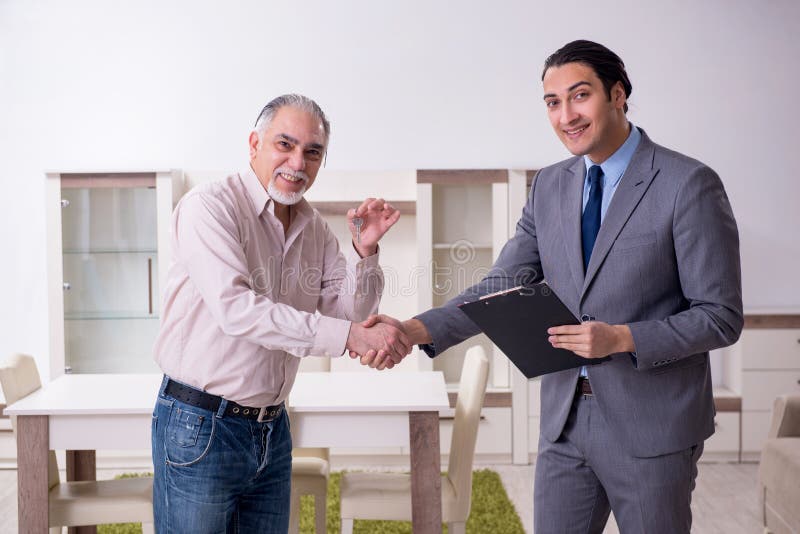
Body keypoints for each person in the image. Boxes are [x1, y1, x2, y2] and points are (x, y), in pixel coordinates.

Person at [355, 40, 743, 532]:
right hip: (564, 422)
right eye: (553, 103)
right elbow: (500, 285)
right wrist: (413, 329)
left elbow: (719, 316)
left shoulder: (687, 183)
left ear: (618, 94)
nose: (566, 116)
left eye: (579, 96)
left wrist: (623, 337)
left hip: (654, 426)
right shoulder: (549, 185)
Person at [151, 93, 410, 533]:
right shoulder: (209, 207)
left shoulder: (315, 230)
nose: (298, 162)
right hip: (199, 425)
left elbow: (351, 310)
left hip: (272, 428)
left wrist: (364, 253)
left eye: (313, 152)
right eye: (284, 145)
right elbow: (237, 311)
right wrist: (350, 336)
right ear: (254, 144)